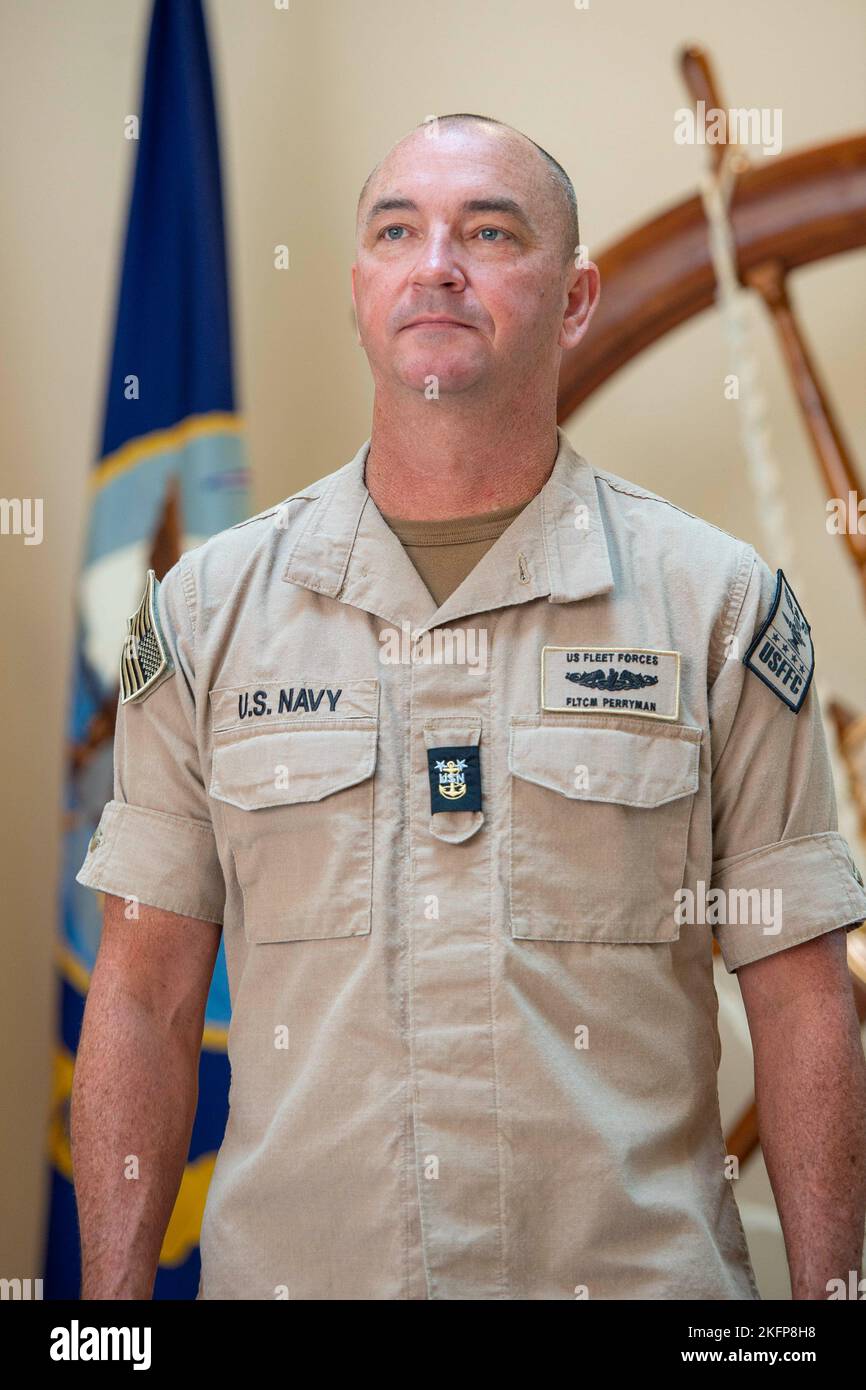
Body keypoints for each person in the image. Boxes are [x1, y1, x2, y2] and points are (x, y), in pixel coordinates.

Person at [72, 113, 866, 1301]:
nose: (435, 261)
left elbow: (801, 991)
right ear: (358, 290)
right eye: (399, 230)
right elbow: (140, 990)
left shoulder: (718, 607)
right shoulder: (204, 614)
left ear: (578, 297)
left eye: (488, 231)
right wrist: (107, 1332)